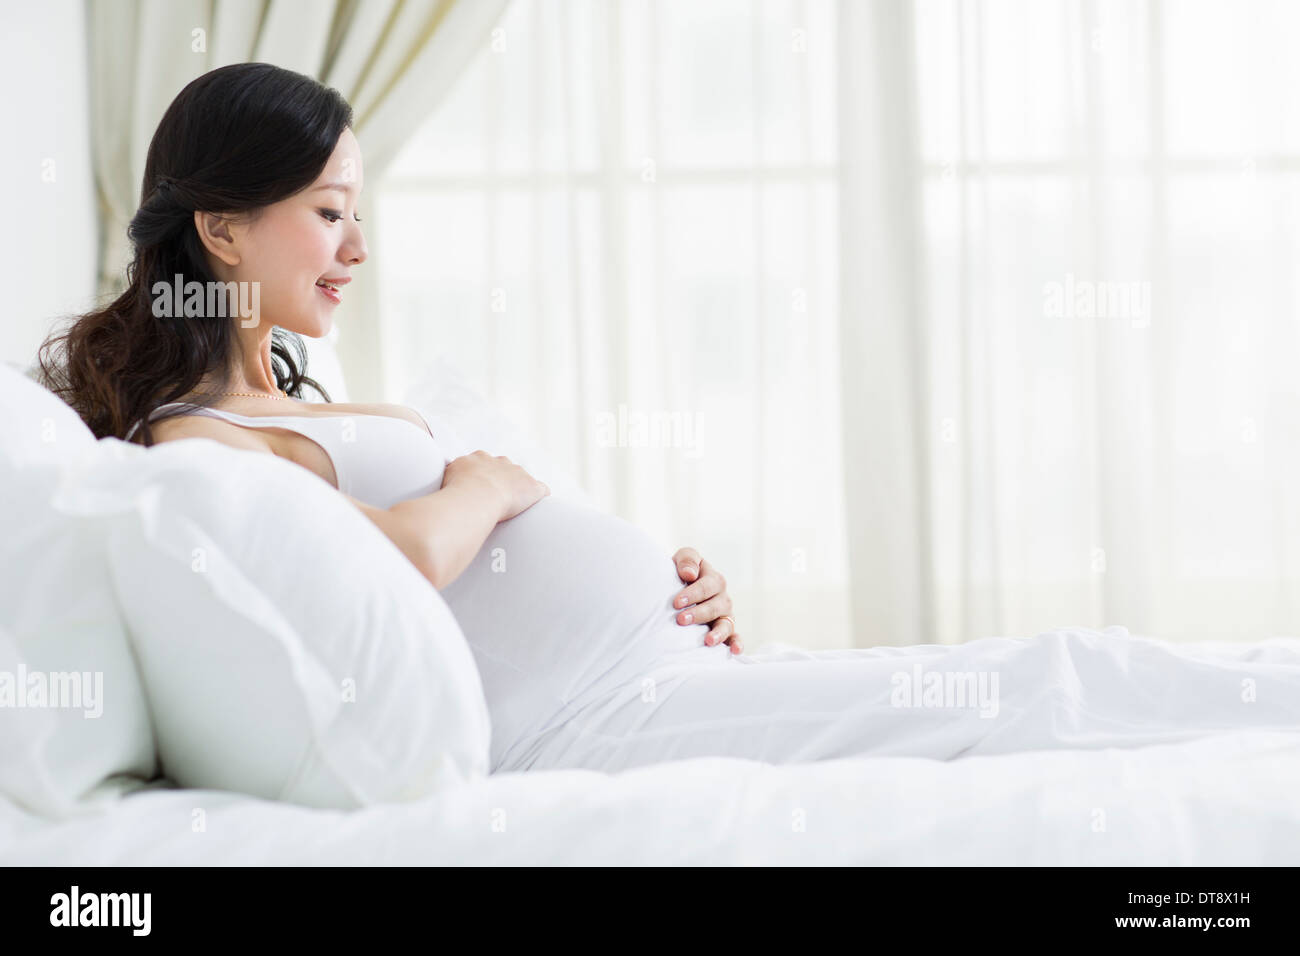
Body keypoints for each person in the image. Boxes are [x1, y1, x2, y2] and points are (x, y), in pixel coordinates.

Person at [39, 64, 1300, 776]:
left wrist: (675, 592)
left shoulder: (279, 408)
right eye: (327, 210)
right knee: (1037, 686)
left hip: (652, 675)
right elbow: (387, 566)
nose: (357, 245)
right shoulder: (188, 449)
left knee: (1039, 674)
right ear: (217, 227)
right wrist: (485, 484)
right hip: (596, 725)